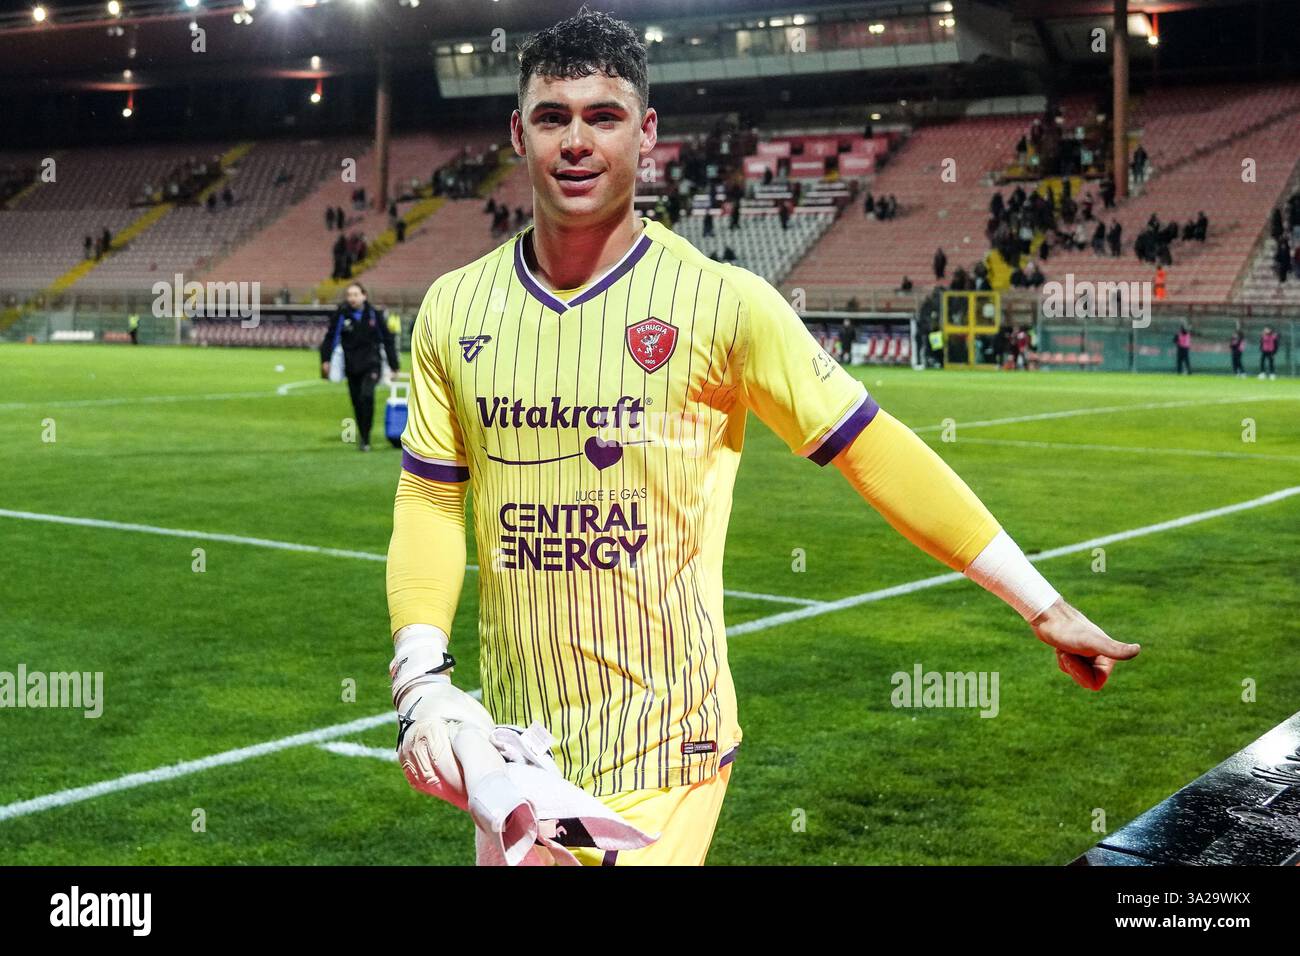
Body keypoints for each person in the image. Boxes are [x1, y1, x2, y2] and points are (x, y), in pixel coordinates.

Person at [384, 8, 1138, 869]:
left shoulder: (724, 302)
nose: (577, 141)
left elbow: (869, 446)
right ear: (518, 133)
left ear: (649, 133)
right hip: (517, 753)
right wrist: (421, 679)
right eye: (553, 117)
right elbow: (431, 497)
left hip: (669, 744)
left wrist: (1040, 602)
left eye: (605, 116)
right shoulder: (454, 308)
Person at [318, 282, 399, 452]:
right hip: (351, 365)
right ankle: (363, 435)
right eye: (349, 295)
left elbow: (387, 338)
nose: (352, 298)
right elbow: (330, 338)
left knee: (367, 396)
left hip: (372, 364)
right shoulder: (342, 314)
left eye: (355, 294)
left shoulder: (374, 314)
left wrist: (394, 365)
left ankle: (366, 437)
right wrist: (325, 360)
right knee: (357, 402)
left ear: (364, 296)